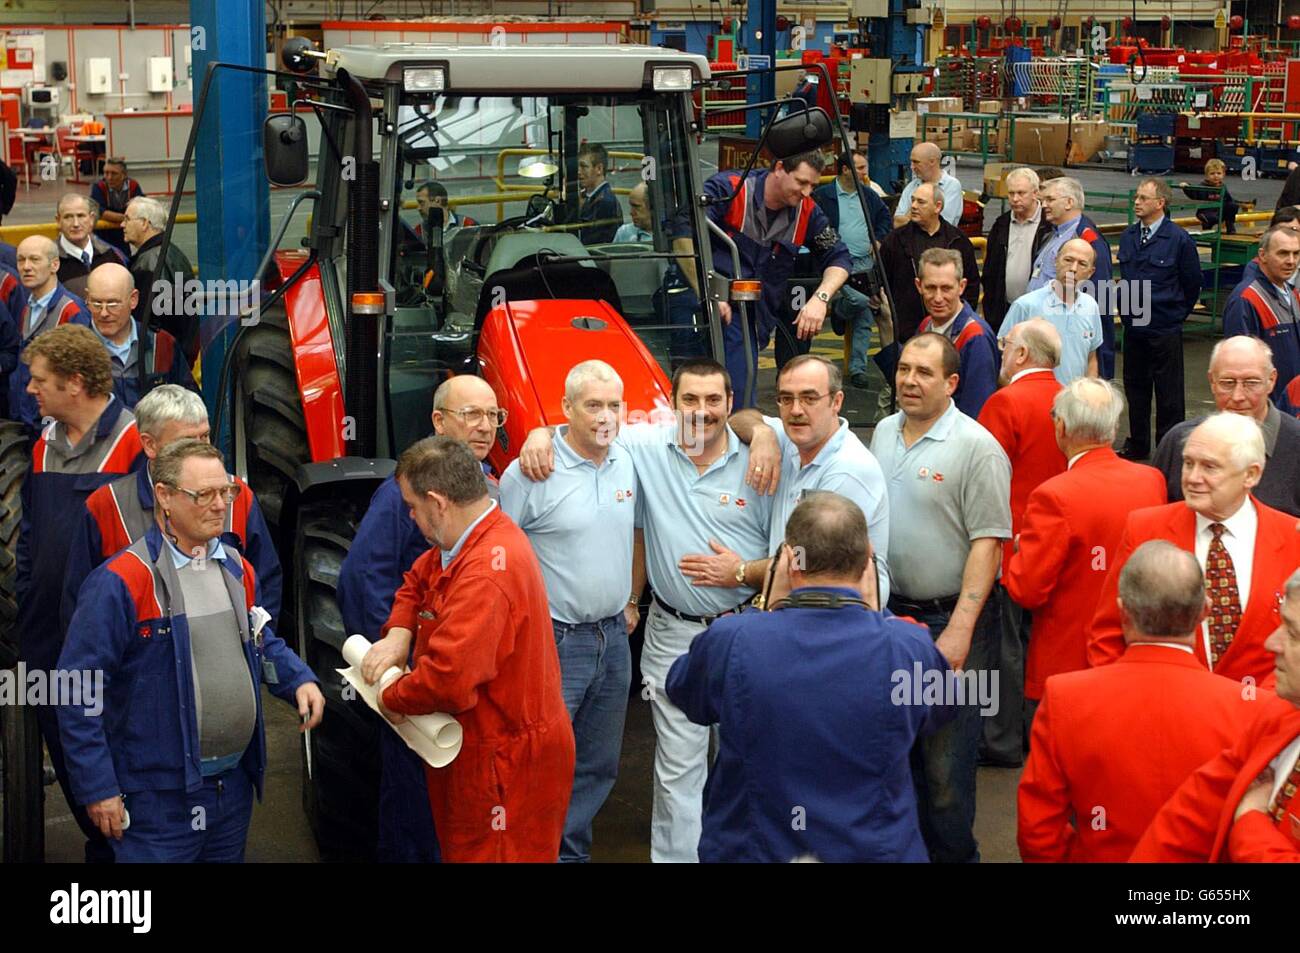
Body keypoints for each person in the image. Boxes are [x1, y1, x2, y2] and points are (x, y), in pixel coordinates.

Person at [515, 359, 777, 863]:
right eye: (690, 401)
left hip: (752, 632)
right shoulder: (644, 446)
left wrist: (761, 429)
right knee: (679, 770)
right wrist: (540, 433)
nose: (702, 412)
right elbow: (586, 426)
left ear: (730, 402)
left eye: (714, 400)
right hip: (674, 633)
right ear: (670, 404)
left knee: (750, 762)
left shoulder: (761, 457)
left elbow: (792, 558)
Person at [56, 438, 322, 862]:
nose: (221, 506)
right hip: (155, 804)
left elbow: (258, 636)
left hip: (230, 792)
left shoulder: (237, 566)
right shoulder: (121, 582)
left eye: (227, 492)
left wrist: (297, 678)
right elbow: (75, 691)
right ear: (164, 496)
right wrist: (98, 787)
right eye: (205, 495)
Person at [666, 492, 954, 862]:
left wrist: (764, 606)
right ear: (868, 558)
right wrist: (874, 615)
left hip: (756, 850)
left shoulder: (734, 640)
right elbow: (941, 712)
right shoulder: (906, 646)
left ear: (789, 559)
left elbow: (684, 690)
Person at [360, 436, 575, 862]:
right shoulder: (467, 542)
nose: (411, 516)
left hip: (503, 765)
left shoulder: (485, 575)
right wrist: (400, 630)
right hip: (488, 751)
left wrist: (389, 696)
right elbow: (419, 578)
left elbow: (448, 680)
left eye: (413, 507)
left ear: (438, 502)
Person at [337, 373, 502, 863]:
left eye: (493, 416)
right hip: (419, 695)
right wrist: (393, 660)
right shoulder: (400, 496)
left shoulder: (491, 485)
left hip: (465, 694)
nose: (484, 427)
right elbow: (365, 578)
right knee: (415, 820)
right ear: (438, 421)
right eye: (470, 415)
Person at [1017, 542, 1260, 863]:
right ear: (1205, 610)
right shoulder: (1251, 710)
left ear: (1122, 610)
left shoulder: (1066, 697)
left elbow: (1037, 829)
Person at [870, 332, 1011, 863]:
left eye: (924, 372)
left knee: (946, 771)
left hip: (953, 624)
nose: (908, 380)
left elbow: (988, 545)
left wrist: (959, 630)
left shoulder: (978, 448)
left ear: (952, 383)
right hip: (891, 621)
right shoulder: (883, 432)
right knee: (896, 760)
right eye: (904, 369)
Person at [498, 360, 638, 863]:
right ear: (566, 409)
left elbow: (637, 532)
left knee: (597, 766)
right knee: (541, 763)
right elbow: (498, 556)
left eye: (614, 405)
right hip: (556, 643)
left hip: (614, 642)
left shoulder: (628, 459)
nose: (605, 416)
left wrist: (632, 598)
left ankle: (568, 855)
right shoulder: (531, 471)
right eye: (592, 405)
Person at [15, 324, 145, 863]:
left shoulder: (136, 446)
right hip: (49, 645)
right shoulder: (43, 446)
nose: (29, 389)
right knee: (72, 764)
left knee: (118, 772)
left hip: (109, 652)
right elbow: (31, 541)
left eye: (39, 379)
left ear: (75, 383)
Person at [1088, 412, 1300, 686]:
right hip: (1165, 714)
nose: (1192, 477)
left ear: (1251, 474)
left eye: (1210, 467)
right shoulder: (1145, 529)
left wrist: (1265, 714)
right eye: (1188, 463)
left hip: (1263, 719)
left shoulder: (1292, 537)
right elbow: (1107, 634)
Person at [1004, 379, 1166, 726]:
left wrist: (1021, 550)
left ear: (1060, 427)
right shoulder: (1150, 481)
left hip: (1066, 666)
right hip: (1132, 660)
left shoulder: (1054, 496)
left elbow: (1026, 589)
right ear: (1113, 425)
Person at [62, 384, 280, 633]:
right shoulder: (107, 506)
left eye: (205, 436)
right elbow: (80, 606)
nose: (201, 449)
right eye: (187, 441)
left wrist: (255, 648)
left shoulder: (237, 496)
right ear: (149, 445)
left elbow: (267, 584)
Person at [1132, 568, 1300, 862]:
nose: (1271, 643)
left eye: (1293, 633)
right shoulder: (1279, 713)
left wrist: (1250, 823)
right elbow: (1192, 813)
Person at [709, 353, 891, 604]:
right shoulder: (792, 438)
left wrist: (740, 571)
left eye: (809, 398)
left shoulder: (847, 469)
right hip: (799, 604)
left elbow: (807, 560)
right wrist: (761, 433)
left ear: (836, 401)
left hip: (836, 615)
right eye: (786, 398)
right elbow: (740, 420)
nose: (796, 410)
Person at [682, 152, 851, 407]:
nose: (806, 192)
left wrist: (820, 298)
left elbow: (839, 258)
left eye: (813, 186)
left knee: (738, 396)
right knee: (709, 396)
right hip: (703, 308)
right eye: (801, 182)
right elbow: (681, 232)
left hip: (754, 315)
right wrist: (707, 290)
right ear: (780, 167)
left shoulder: (807, 212)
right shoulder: (729, 189)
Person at [976, 319, 1066, 764]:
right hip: (1057, 546)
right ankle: (1041, 734)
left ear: (1023, 355)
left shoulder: (1005, 402)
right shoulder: (1068, 399)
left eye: (1006, 344)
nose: (1002, 351)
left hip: (1011, 547)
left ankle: (1002, 739)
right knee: (1041, 645)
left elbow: (983, 480)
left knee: (1004, 648)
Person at [1152, 336, 1300, 516]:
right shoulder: (1178, 442)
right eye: (1227, 383)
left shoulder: (1296, 444)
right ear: (1212, 382)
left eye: (1251, 383)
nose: (1238, 396)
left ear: (1271, 380)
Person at [1115, 177, 1203, 460]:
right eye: (1137, 198)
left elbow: (1192, 284)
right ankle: (1137, 443)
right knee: (1136, 388)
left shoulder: (1178, 240)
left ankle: (1169, 450)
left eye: (1143, 198)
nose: (1136, 202)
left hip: (1164, 328)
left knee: (1169, 395)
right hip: (1135, 328)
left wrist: (1175, 315)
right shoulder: (1129, 236)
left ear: (1160, 203)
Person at [812, 150, 891, 391]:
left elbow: (884, 219)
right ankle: (839, 310)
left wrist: (877, 239)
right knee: (858, 301)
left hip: (864, 263)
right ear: (845, 169)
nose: (865, 173)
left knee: (866, 315)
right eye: (860, 168)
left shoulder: (869, 195)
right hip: (837, 263)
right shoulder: (823, 196)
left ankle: (858, 368)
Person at [1026, 177, 1116, 378]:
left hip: (1067, 340)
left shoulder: (1086, 240)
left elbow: (1099, 301)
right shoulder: (1053, 234)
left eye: (1050, 199)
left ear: (1069, 202)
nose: (1045, 205)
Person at [878, 183, 980, 350]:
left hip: (949, 333)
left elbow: (972, 284)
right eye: (913, 201)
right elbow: (882, 280)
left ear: (937, 207)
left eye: (921, 202)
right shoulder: (895, 240)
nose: (914, 206)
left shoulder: (958, 240)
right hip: (906, 333)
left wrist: (959, 321)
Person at [10, 235, 92, 437]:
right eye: (21, 260)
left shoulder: (72, 311)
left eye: (35, 259)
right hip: (27, 419)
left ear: (54, 265)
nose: (26, 267)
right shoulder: (27, 307)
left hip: (53, 424)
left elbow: (81, 373)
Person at [84, 263, 196, 409]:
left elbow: (190, 403)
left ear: (133, 299)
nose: (104, 313)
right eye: (97, 303)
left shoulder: (162, 344)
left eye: (113, 303)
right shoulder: (76, 350)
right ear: (87, 298)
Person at [998, 239, 1103, 384]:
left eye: (1082, 264)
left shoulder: (1091, 306)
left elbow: (1091, 358)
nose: (1073, 268)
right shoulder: (1026, 305)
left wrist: (1089, 395)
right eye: (1068, 260)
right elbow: (1004, 357)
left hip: (1074, 401)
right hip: (1034, 400)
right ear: (1056, 261)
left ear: (1090, 272)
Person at [1221, 225, 1300, 409]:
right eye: (1283, 253)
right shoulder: (1246, 299)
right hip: (1265, 414)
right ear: (1262, 255)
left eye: (1296, 254)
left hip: (1290, 409)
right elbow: (1238, 368)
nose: (1291, 261)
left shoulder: (1292, 294)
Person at [914, 248, 998, 418]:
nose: (938, 298)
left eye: (946, 288)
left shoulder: (976, 337)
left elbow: (977, 411)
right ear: (919, 286)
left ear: (961, 287)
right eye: (930, 288)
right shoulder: (926, 325)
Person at [124, 195, 198, 365]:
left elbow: (146, 321)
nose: (122, 225)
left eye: (127, 219)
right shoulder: (174, 254)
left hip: (161, 358)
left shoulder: (148, 264)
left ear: (144, 223)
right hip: (181, 353)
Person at [982, 167, 1054, 333]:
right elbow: (990, 270)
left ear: (1036, 193)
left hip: (1039, 314)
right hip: (1004, 310)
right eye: (1011, 193)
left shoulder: (1049, 226)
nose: (1015, 199)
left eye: (1021, 193)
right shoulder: (1001, 225)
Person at [54, 193, 126, 299]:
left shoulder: (113, 256)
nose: (75, 224)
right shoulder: (48, 262)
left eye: (81, 216)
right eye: (68, 217)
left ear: (91, 219)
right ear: (58, 221)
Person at [894, 142, 963, 227]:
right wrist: (924, 215)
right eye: (911, 162)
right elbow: (897, 223)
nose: (912, 167)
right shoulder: (911, 186)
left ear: (932, 161)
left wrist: (909, 216)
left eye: (916, 162)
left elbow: (939, 225)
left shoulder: (951, 186)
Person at [88, 158, 145, 253]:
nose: (109, 177)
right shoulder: (99, 187)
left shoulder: (133, 186)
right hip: (103, 236)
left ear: (124, 175)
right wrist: (128, 218)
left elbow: (141, 209)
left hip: (124, 234)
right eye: (106, 173)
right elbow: (100, 212)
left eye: (114, 173)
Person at [575, 143, 622, 244]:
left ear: (599, 169)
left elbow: (585, 240)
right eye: (578, 166)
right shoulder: (590, 197)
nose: (578, 171)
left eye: (584, 166)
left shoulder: (604, 202)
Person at [1187, 158, 1240, 233]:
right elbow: (1194, 194)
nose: (1216, 176)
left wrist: (1235, 206)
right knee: (1210, 217)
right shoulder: (1203, 186)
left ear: (1223, 174)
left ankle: (1230, 224)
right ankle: (1207, 225)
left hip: (1219, 211)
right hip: (1206, 211)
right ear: (1207, 175)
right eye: (1212, 173)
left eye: (1219, 173)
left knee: (1232, 205)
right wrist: (1186, 187)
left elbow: (1229, 199)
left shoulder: (1222, 186)